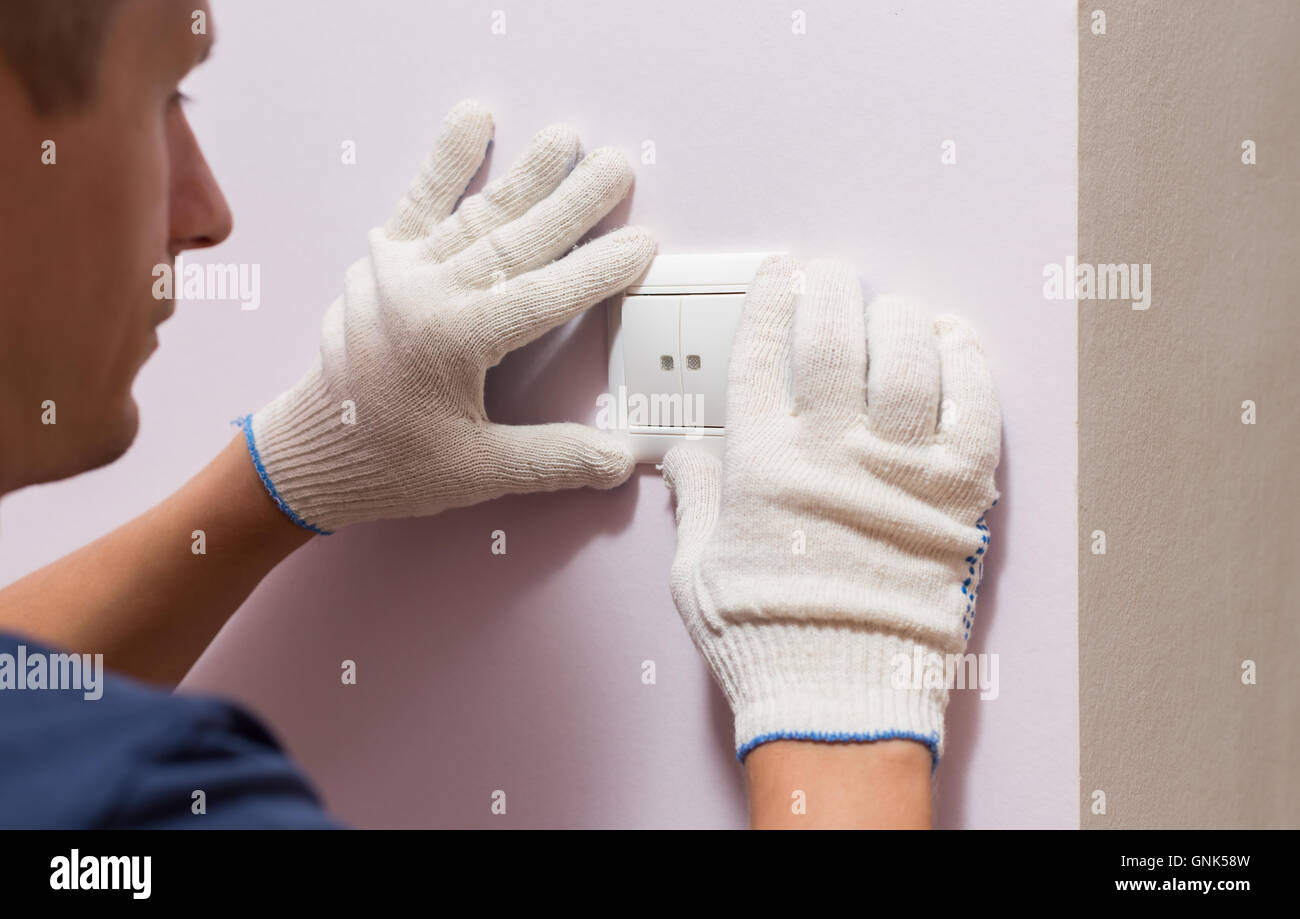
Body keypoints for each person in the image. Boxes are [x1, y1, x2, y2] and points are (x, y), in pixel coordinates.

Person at [0, 0, 1000, 830]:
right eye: (165, 95)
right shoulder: (149, 806)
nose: (208, 210)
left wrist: (280, 476)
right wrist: (838, 719)